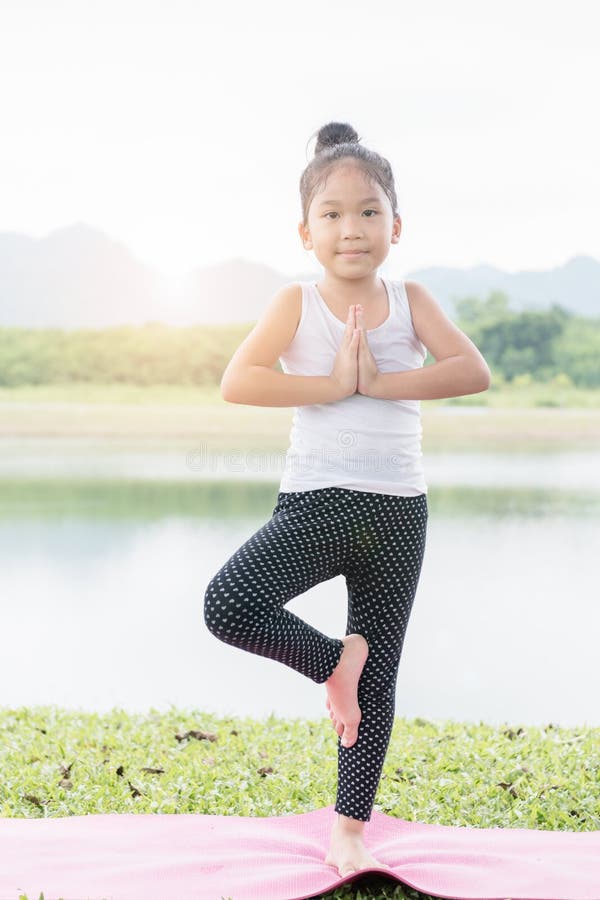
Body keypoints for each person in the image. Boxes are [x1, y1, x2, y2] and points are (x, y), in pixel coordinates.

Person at [204, 120, 491, 877]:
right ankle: (336, 662)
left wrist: (381, 382)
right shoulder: (295, 302)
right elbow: (239, 381)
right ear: (305, 232)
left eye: (368, 212)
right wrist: (332, 384)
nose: (351, 229)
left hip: (397, 507)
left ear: (396, 225)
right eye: (331, 215)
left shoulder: (410, 299)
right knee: (230, 604)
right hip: (318, 502)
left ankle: (351, 829)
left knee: (383, 670)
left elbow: (472, 371)